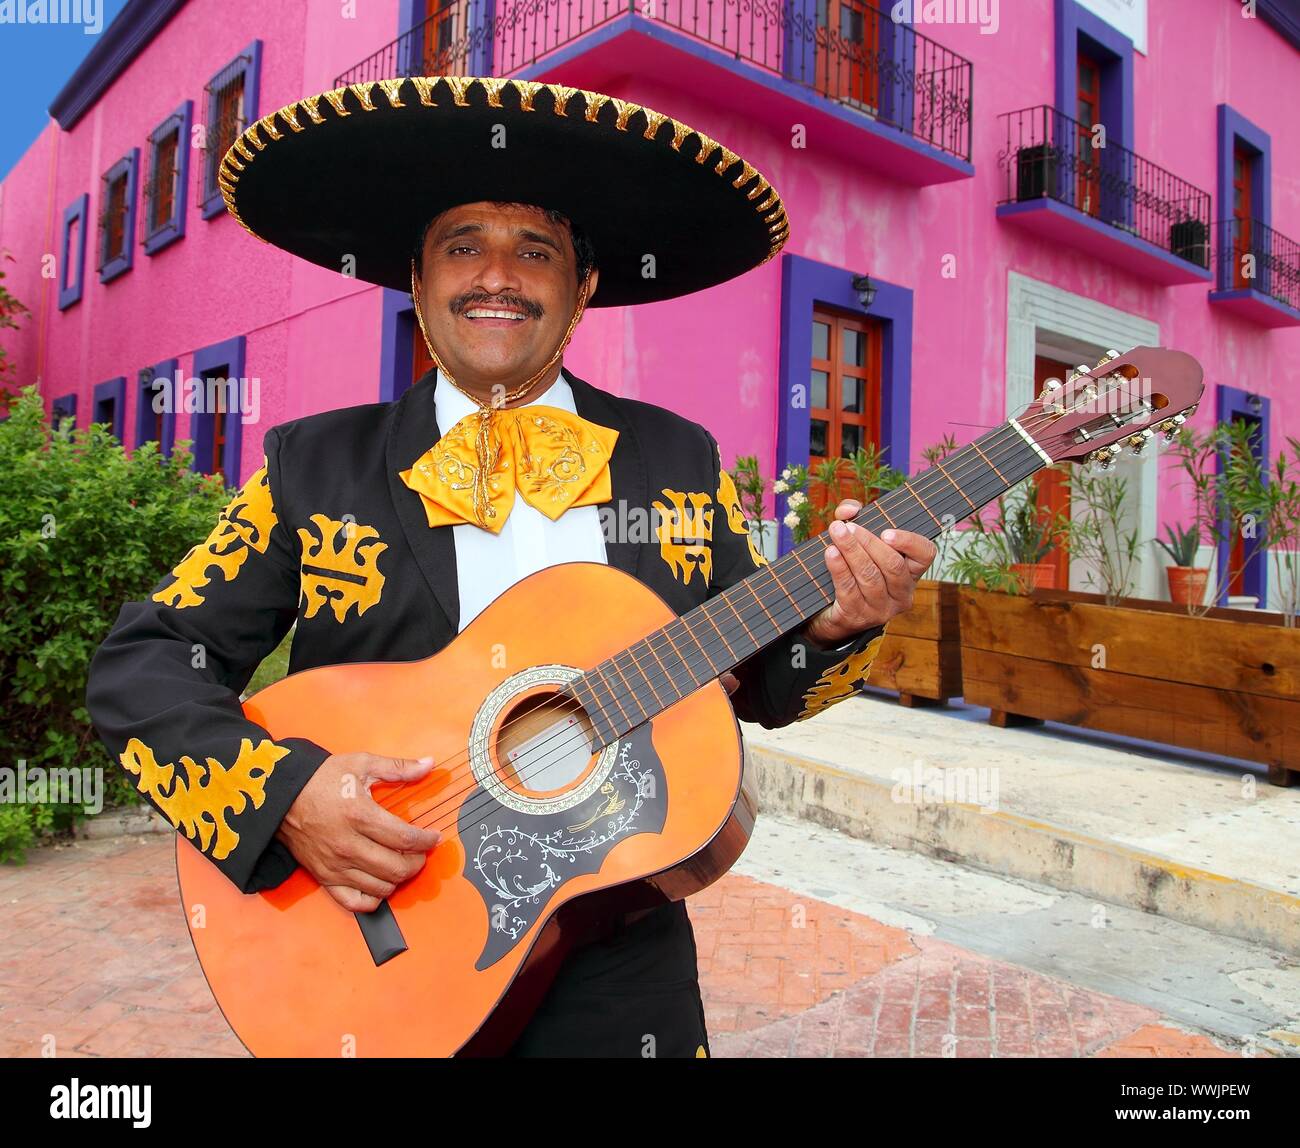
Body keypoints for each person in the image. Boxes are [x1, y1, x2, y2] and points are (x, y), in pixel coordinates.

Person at [86, 75, 936, 1058]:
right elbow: (143, 664)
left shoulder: (674, 457)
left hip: (620, 958)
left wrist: (835, 623)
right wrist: (289, 798)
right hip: (383, 949)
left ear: (581, 289)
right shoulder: (312, 465)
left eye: (534, 250)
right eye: (463, 246)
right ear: (417, 280)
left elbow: (756, 681)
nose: (497, 275)